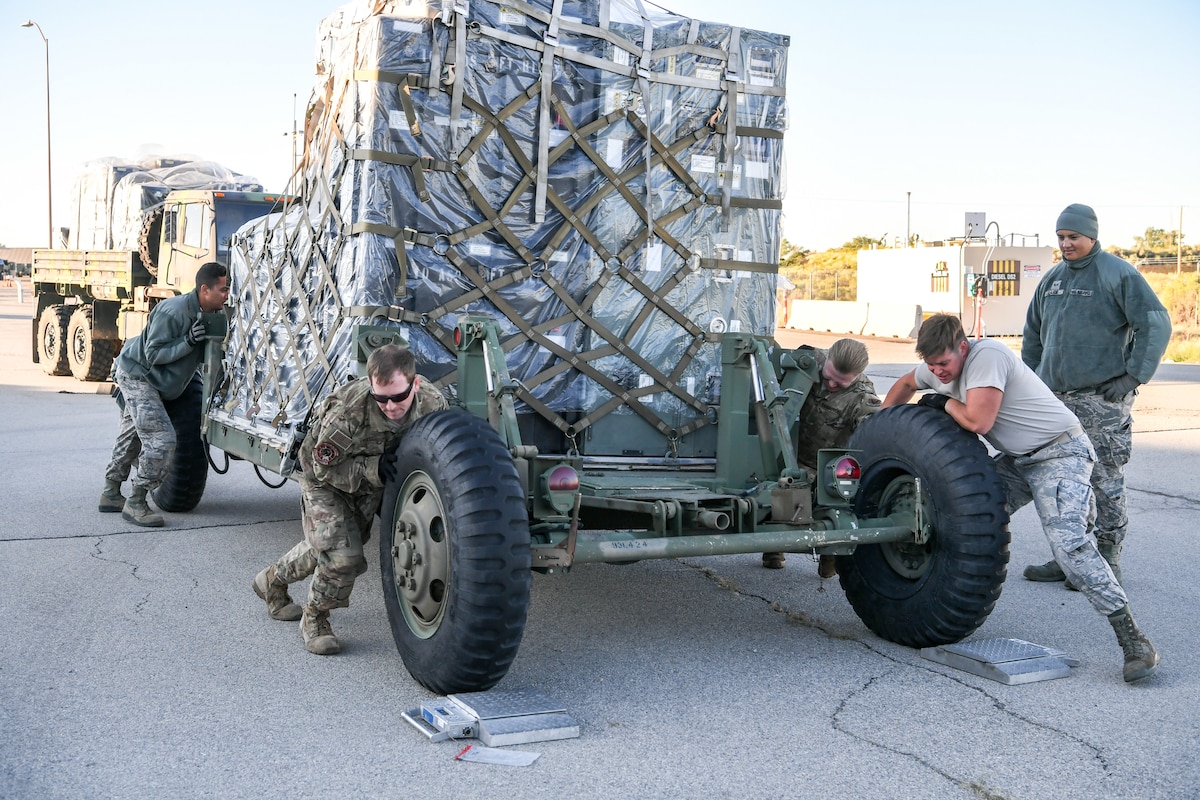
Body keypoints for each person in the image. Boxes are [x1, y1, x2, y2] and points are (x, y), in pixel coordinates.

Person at [884, 314, 1158, 682]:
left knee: (1070, 546)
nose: (938, 372)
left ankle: (1134, 640)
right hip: (1019, 459)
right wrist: (881, 426)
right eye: (931, 365)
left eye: (944, 363)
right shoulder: (939, 366)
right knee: (957, 513)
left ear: (962, 347)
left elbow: (977, 422)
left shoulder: (988, 356)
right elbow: (905, 383)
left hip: (1060, 453)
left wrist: (942, 402)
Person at [253, 343, 448, 655]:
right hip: (325, 480)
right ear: (370, 385)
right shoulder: (348, 411)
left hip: (369, 483)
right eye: (381, 398)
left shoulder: (432, 404)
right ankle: (314, 619)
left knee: (327, 546)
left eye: (399, 397)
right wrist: (373, 468)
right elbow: (322, 466)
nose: (390, 406)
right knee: (344, 555)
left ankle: (271, 580)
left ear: (415, 385)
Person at [1021, 204, 1171, 585]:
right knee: (1064, 484)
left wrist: (1132, 376)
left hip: (1101, 401)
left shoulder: (1117, 274)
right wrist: (1035, 384)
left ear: (1091, 236)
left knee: (1105, 480)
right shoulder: (1052, 280)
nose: (1065, 244)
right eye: (1061, 237)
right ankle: (1070, 557)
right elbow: (1033, 335)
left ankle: (1107, 559)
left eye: (1073, 237)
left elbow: (1155, 324)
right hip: (1057, 403)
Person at [99, 261, 229, 527]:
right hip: (138, 374)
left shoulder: (212, 313)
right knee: (162, 440)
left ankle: (111, 493)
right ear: (205, 290)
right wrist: (187, 341)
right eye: (223, 290)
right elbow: (153, 354)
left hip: (155, 380)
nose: (227, 295)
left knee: (131, 437)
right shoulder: (174, 312)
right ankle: (136, 501)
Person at [763, 338, 881, 576]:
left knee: (836, 505)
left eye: (840, 383)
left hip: (828, 467)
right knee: (782, 491)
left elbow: (874, 437)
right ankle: (774, 547)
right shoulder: (806, 361)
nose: (831, 385)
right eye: (828, 377)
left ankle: (830, 556)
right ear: (827, 358)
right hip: (792, 454)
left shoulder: (863, 398)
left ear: (857, 376)